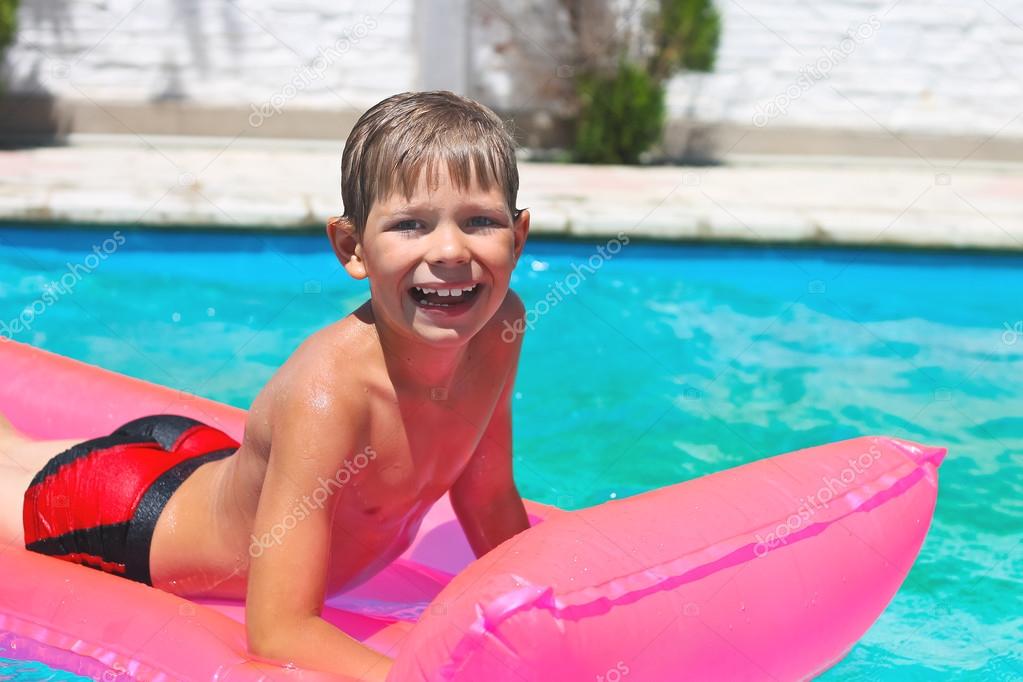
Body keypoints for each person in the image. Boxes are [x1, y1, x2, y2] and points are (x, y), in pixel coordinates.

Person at [0, 90, 534, 681]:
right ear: (352, 249)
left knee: (14, 449)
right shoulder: (331, 394)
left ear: (520, 235)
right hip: (124, 516)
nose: (451, 251)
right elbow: (279, 631)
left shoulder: (501, 325)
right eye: (410, 224)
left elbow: (485, 494)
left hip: (198, 462)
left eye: (480, 221)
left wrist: (534, 616)